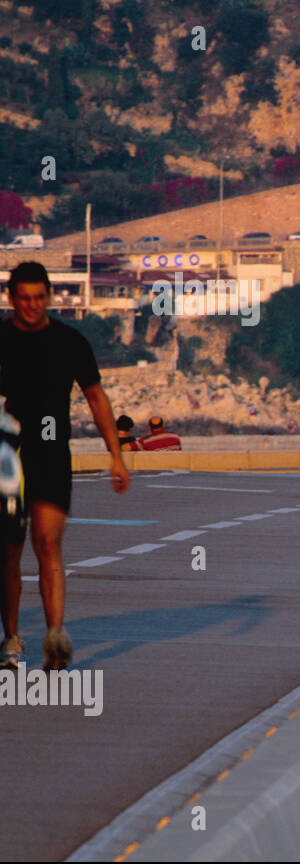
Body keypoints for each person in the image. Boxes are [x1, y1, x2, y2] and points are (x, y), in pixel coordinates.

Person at [0, 261, 131, 671]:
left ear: (50, 297)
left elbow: (96, 398)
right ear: (11, 298)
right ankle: (11, 641)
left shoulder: (70, 342)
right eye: (24, 298)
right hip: (6, 455)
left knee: (47, 543)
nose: (32, 306)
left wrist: (116, 456)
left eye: (39, 298)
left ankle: (56, 637)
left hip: (52, 453)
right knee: (8, 550)